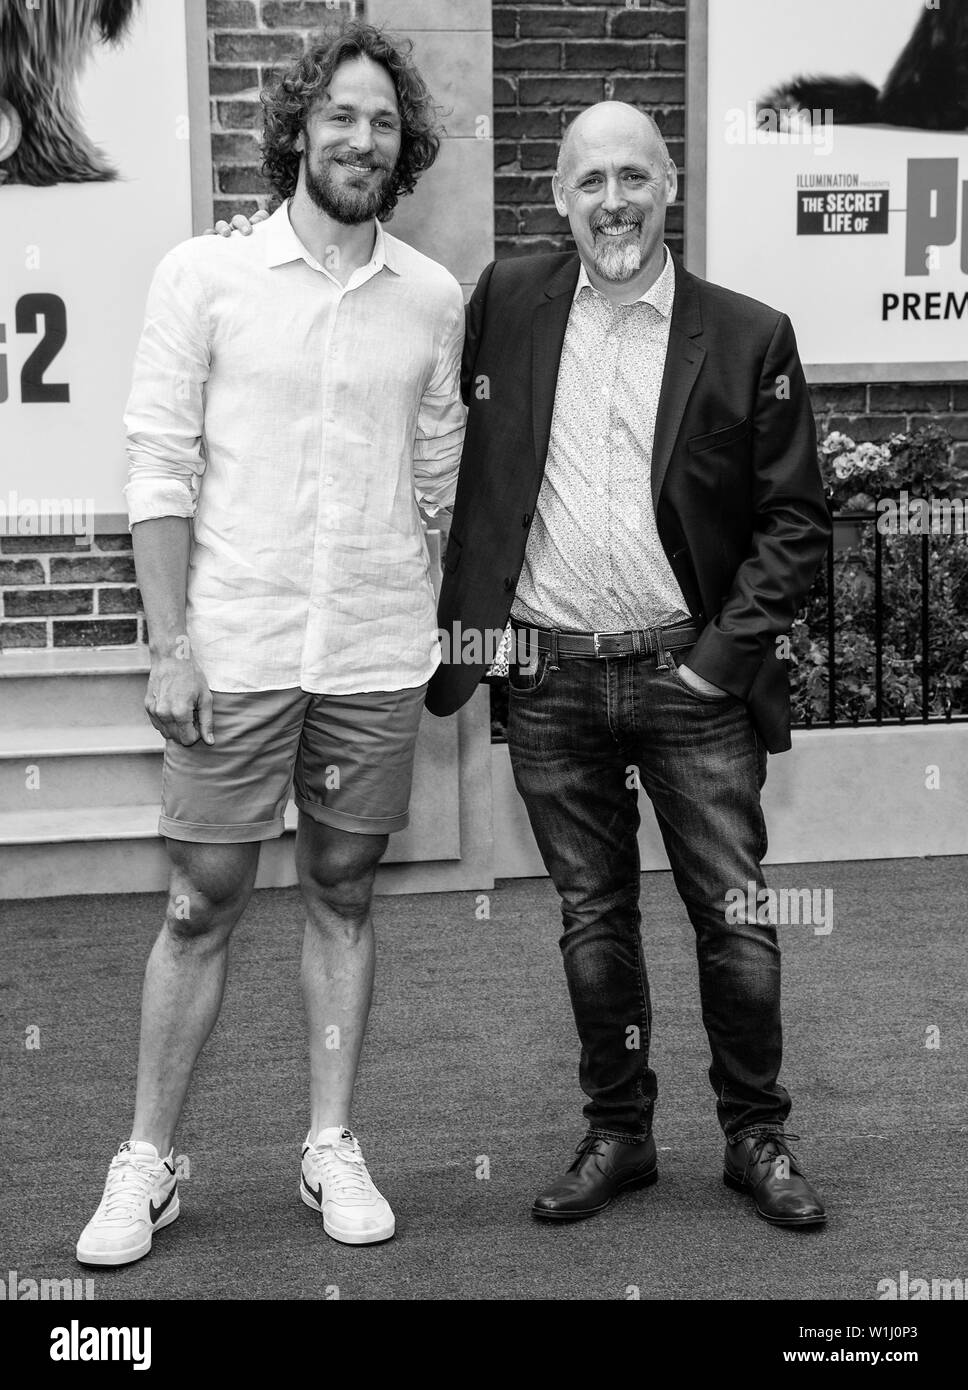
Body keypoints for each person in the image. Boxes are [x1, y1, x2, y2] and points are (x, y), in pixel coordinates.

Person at [76, 22, 465, 1266]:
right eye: (340, 116)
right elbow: (158, 461)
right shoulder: (205, 274)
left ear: (403, 152)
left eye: (383, 124)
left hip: (371, 653)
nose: (361, 139)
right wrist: (170, 640)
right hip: (234, 650)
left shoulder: (430, 298)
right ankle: (147, 1161)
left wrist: (438, 622)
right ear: (298, 127)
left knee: (343, 891)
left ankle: (329, 1144)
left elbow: (439, 472)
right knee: (200, 901)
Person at [426, 102, 832, 1228]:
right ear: (556, 198)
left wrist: (714, 664)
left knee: (736, 918)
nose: (613, 201)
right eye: (589, 180)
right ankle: (619, 1133)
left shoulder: (748, 335)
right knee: (589, 920)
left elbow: (793, 521)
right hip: (549, 679)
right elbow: (451, 452)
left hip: (688, 682)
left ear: (669, 188)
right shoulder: (504, 302)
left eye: (633, 178)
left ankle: (756, 1135)